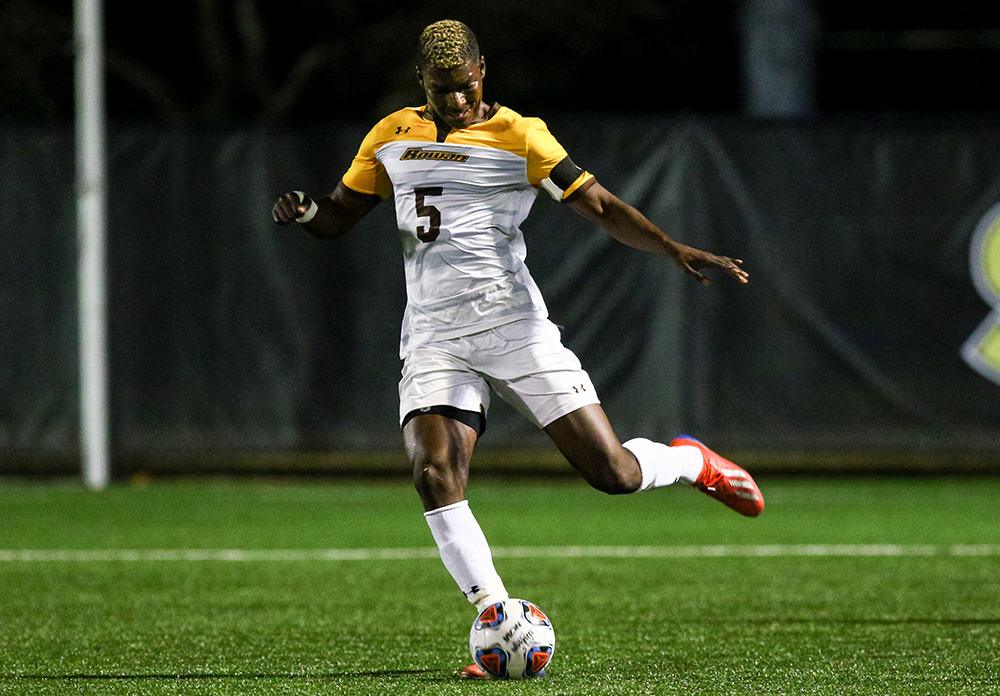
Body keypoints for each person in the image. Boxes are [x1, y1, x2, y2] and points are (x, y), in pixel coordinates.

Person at [272, 19, 764, 678]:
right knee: (433, 472)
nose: (457, 102)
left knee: (611, 474)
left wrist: (670, 246)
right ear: (424, 82)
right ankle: (496, 617)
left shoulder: (520, 134)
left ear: (484, 72)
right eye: (443, 90)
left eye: (467, 87)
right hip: (433, 334)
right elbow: (339, 216)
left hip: (514, 328)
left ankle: (689, 461)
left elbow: (599, 204)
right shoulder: (390, 135)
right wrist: (308, 213)